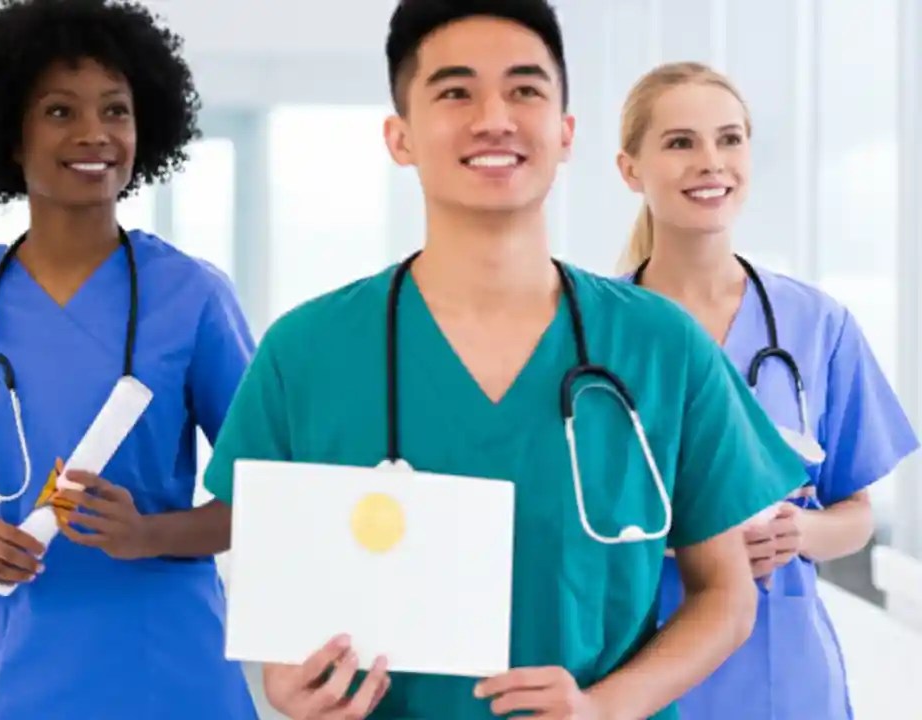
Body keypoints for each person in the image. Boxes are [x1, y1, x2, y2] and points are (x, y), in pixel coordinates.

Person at [202, 1, 812, 718]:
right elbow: (279, 607)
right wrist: (289, 686)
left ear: (565, 132)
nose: (495, 117)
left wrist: (606, 708)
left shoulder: (661, 346)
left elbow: (726, 596)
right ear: (400, 137)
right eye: (455, 91)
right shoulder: (304, 354)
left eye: (525, 89)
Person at [0, 1, 259, 717]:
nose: (95, 134)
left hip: (165, 668)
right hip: (5, 675)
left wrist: (148, 534)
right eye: (59, 112)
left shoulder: (192, 297)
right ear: (9, 136)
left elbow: (270, 501)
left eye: (116, 110)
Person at [614, 61, 920, 720]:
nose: (711, 161)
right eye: (680, 142)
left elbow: (856, 516)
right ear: (630, 169)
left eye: (729, 139)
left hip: (784, 675)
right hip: (637, 663)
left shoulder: (816, 324)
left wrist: (800, 532)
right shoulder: (595, 332)